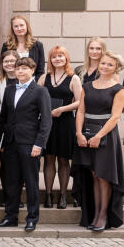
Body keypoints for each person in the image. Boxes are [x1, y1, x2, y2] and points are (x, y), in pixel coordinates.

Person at [0, 56, 53, 231]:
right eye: (18, 68)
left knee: (31, 181)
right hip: (10, 142)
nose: (20, 71)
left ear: (32, 70)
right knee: (11, 181)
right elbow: (3, 118)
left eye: (24, 68)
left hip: (30, 143)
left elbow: (46, 120)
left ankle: (32, 218)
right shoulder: (10, 89)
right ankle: (11, 216)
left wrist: (39, 144)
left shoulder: (40, 91)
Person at [75, 50, 124, 231]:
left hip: (106, 136)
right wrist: (79, 133)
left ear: (116, 68)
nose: (105, 66)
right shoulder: (87, 86)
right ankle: (95, 214)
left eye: (110, 64)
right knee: (94, 175)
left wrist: (99, 136)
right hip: (86, 132)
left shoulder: (118, 89)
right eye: (103, 63)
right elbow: (81, 111)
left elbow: (115, 117)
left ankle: (103, 216)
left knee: (104, 176)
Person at [39, 46, 82, 210]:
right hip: (47, 123)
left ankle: (63, 195)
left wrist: (62, 109)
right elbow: (35, 97)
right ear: (50, 60)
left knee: (63, 159)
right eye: (54, 57)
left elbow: (80, 101)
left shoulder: (73, 78)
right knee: (49, 158)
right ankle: (48, 194)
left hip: (65, 122)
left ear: (66, 59)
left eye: (60, 56)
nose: (57, 59)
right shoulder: (44, 77)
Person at [3, 15, 45, 80]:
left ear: (27, 26)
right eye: (16, 26)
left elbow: (40, 70)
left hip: (32, 82)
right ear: (12, 29)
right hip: (11, 82)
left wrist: (33, 83)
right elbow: (2, 67)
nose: (19, 28)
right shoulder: (7, 46)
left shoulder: (38, 45)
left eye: (22, 25)